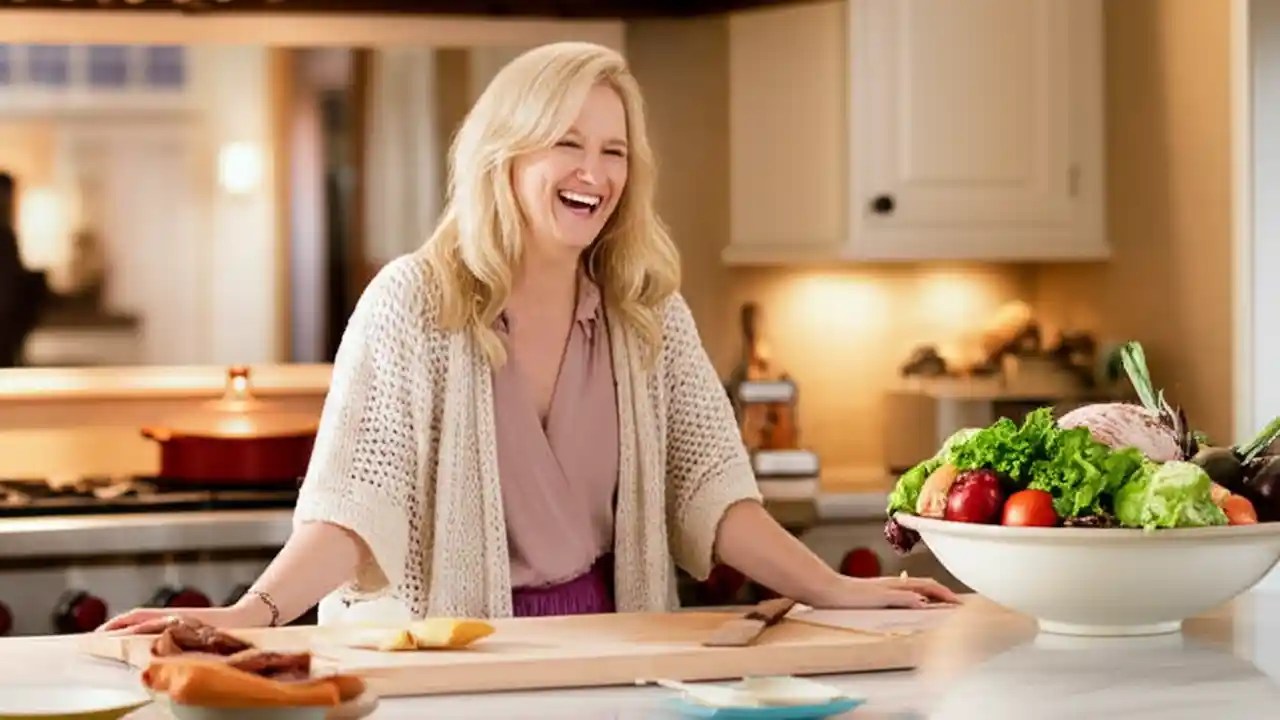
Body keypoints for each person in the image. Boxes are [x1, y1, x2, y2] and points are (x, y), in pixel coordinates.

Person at [101, 42, 955, 634]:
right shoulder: (415, 303)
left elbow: (714, 493)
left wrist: (838, 591)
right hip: (446, 660)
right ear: (504, 157)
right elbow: (356, 509)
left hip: (611, 650)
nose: (596, 173)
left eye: (614, 151)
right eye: (567, 143)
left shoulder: (648, 313)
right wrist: (249, 615)